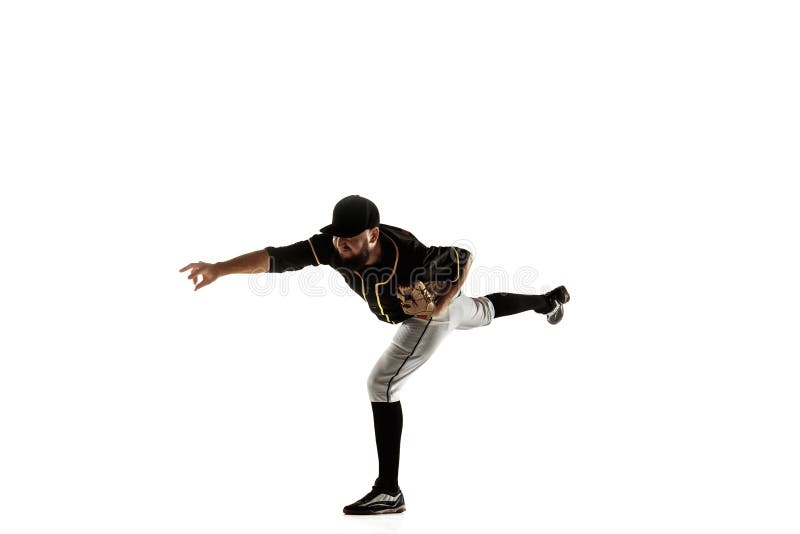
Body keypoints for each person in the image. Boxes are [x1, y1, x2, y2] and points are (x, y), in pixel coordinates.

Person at [179, 194, 570, 515]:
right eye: (337, 236)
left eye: (349, 238)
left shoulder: (409, 252)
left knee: (381, 384)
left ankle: (388, 490)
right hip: (430, 311)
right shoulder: (331, 247)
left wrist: (441, 302)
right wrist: (219, 268)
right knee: (482, 311)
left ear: (373, 234)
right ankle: (548, 301)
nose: (340, 244)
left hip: (424, 319)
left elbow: (461, 257)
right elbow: (275, 258)